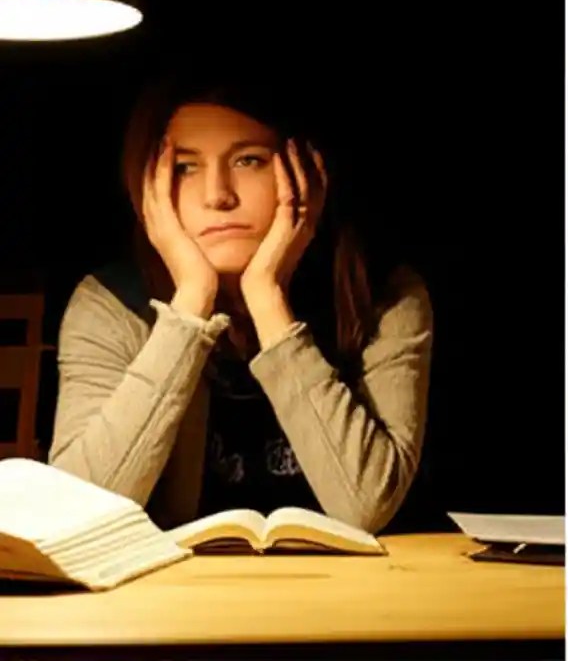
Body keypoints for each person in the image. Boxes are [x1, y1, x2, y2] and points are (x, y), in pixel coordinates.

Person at [47, 68, 433, 535]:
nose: (218, 196)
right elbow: (77, 517)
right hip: (173, 600)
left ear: (307, 169)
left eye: (248, 160)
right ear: (149, 186)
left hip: (352, 596)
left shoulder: (381, 297)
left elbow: (365, 506)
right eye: (186, 167)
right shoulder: (111, 305)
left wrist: (268, 301)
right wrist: (189, 305)